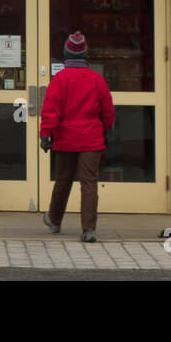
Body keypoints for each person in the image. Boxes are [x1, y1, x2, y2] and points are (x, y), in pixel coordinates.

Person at [39, 31, 114, 242]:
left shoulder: (60, 79)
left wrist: (46, 135)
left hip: (65, 139)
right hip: (91, 139)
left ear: (66, 53)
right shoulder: (96, 79)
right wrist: (105, 130)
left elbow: (51, 110)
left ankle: (54, 220)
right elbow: (108, 111)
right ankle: (88, 229)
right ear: (85, 54)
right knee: (89, 183)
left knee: (63, 180)